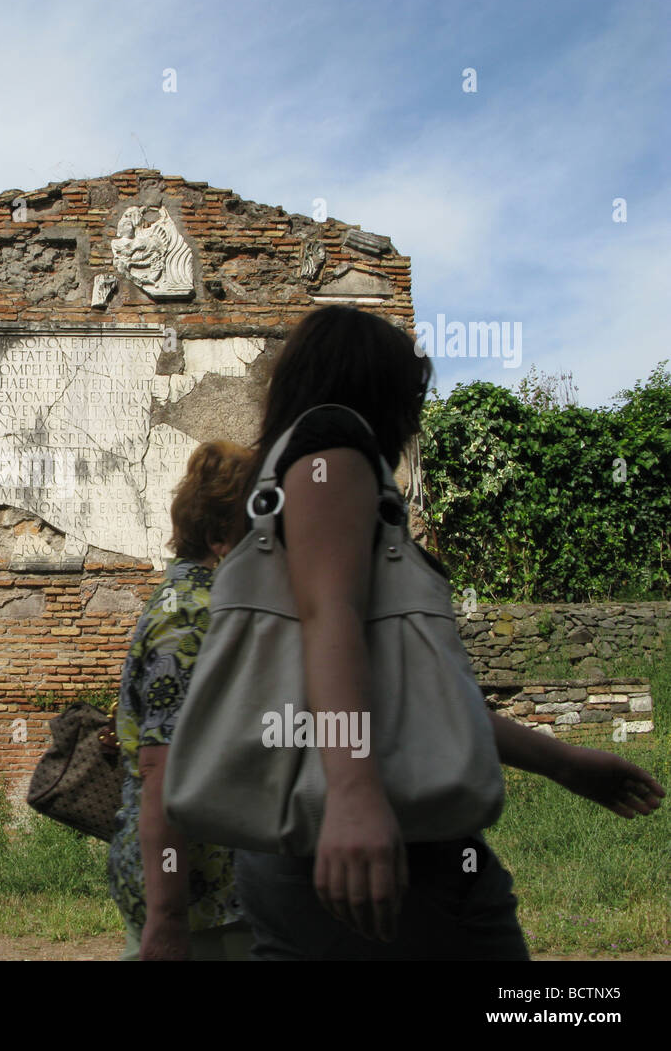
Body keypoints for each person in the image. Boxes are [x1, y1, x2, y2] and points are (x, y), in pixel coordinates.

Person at [229, 304, 665, 960]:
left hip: (307, 848)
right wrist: (352, 793)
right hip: (381, 847)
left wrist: (565, 762)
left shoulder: (295, 485)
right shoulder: (333, 452)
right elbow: (331, 618)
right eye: (409, 392)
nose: (413, 415)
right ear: (378, 390)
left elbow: (421, 698)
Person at [107, 440, 255, 961]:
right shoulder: (189, 618)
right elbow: (161, 767)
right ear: (220, 538)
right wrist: (168, 920)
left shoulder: (199, 602)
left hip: (215, 898)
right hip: (201, 904)